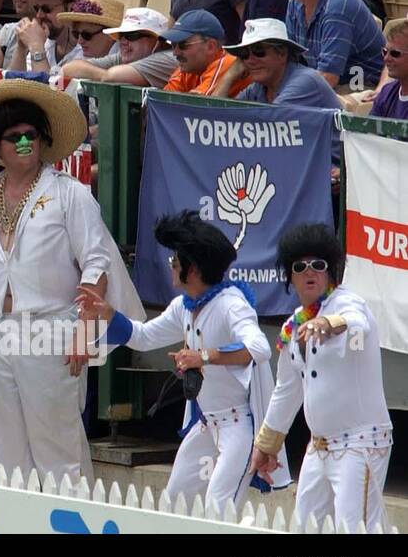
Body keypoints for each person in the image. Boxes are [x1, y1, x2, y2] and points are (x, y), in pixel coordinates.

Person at [0, 77, 141, 483]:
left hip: (53, 328)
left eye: (31, 135)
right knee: (6, 450)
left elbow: (96, 264)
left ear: (43, 139)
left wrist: (84, 332)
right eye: (13, 136)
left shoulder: (70, 194)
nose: (23, 144)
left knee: (58, 447)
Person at [78, 211, 287, 512]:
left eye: (175, 261)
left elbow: (259, 348)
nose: (171, 266)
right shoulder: (183, 307)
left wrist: (202, 356)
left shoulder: (232, 305)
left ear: (194, 269)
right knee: (175, 501)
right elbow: (144, 337)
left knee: (219, 509)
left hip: (238, 426)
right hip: (205, 425)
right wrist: (109, 314)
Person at [251, 223, 392, 531]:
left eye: (318, 264)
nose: (309, 271)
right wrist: (266, 447)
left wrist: (329, 323)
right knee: (305, 527)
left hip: (360, 444)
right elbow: (286, 392)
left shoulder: (347, 303)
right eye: (300, 267)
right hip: (319, 449)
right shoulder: (292, 326)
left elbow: (357, 325)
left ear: (330, 270)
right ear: (290, 276)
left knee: (355, 529)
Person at [224, 18, 342, 110]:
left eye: (258, 51)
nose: (250, 60)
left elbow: (266, 126)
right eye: (244, 54)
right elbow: (216, 118)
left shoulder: (304, 82)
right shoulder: (259, 88)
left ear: (282, 53)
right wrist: (228, 77)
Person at [61, 6, 178, 87]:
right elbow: (69, 68)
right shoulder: (129, 56)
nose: (123, 41)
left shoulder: (167, 58)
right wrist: (103, 74)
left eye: (132, 35)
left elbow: (110, 77)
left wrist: (103, 75)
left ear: (157, 40)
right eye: (121, 35)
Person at [6, 0, 87, 73]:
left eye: (46, 9)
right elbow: (15, 84)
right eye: (37, 9)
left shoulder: (88, 46)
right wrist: (21, 47)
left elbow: (48, 88)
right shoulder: (46, 42)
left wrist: (36, 47)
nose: (39, 15)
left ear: (71, 9)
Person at [162, 8, 251, 95]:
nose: (175, 52)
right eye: (173, 45)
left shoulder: (226, 63)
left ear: (210, 47)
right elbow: (163, 101)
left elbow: (199, 107)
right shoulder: (190, 67)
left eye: (183, 45)